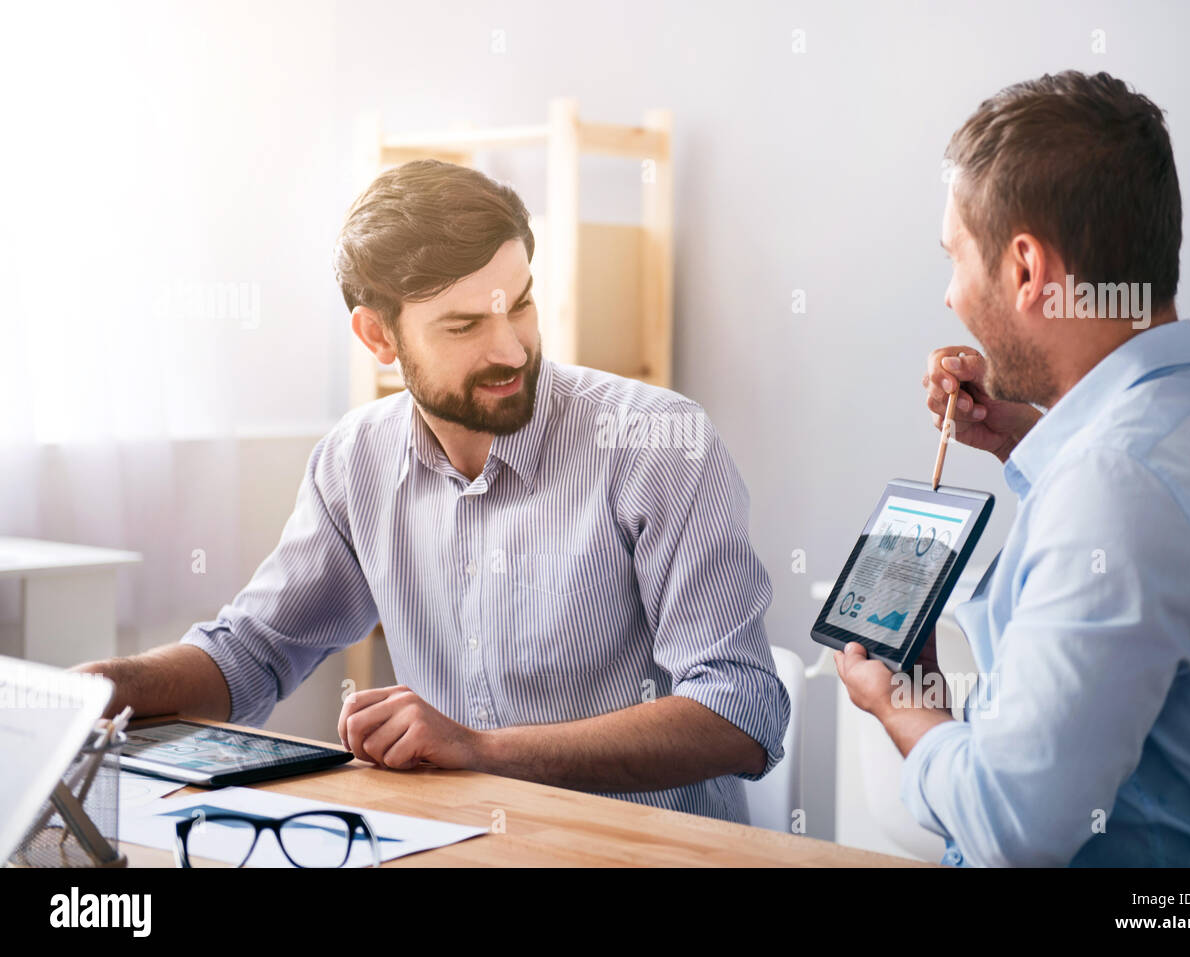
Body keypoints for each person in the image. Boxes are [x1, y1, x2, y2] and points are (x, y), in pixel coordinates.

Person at [73, 159, 789, 824]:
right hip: (458, 845)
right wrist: (96, 688)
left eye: (522, 305)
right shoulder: (357, 460)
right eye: (465, 325)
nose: (510, 348)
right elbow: (250, 654)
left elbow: (742, 712)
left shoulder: (656, 443)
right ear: (378, 337)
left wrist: (482, 749)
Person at [834, 70, 1190, 865]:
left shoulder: (1113, 487)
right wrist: (1028, 439)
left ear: (1024, 269)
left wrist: (906, 708)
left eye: (955, 259)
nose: (950, 296)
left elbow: (1014, 825)